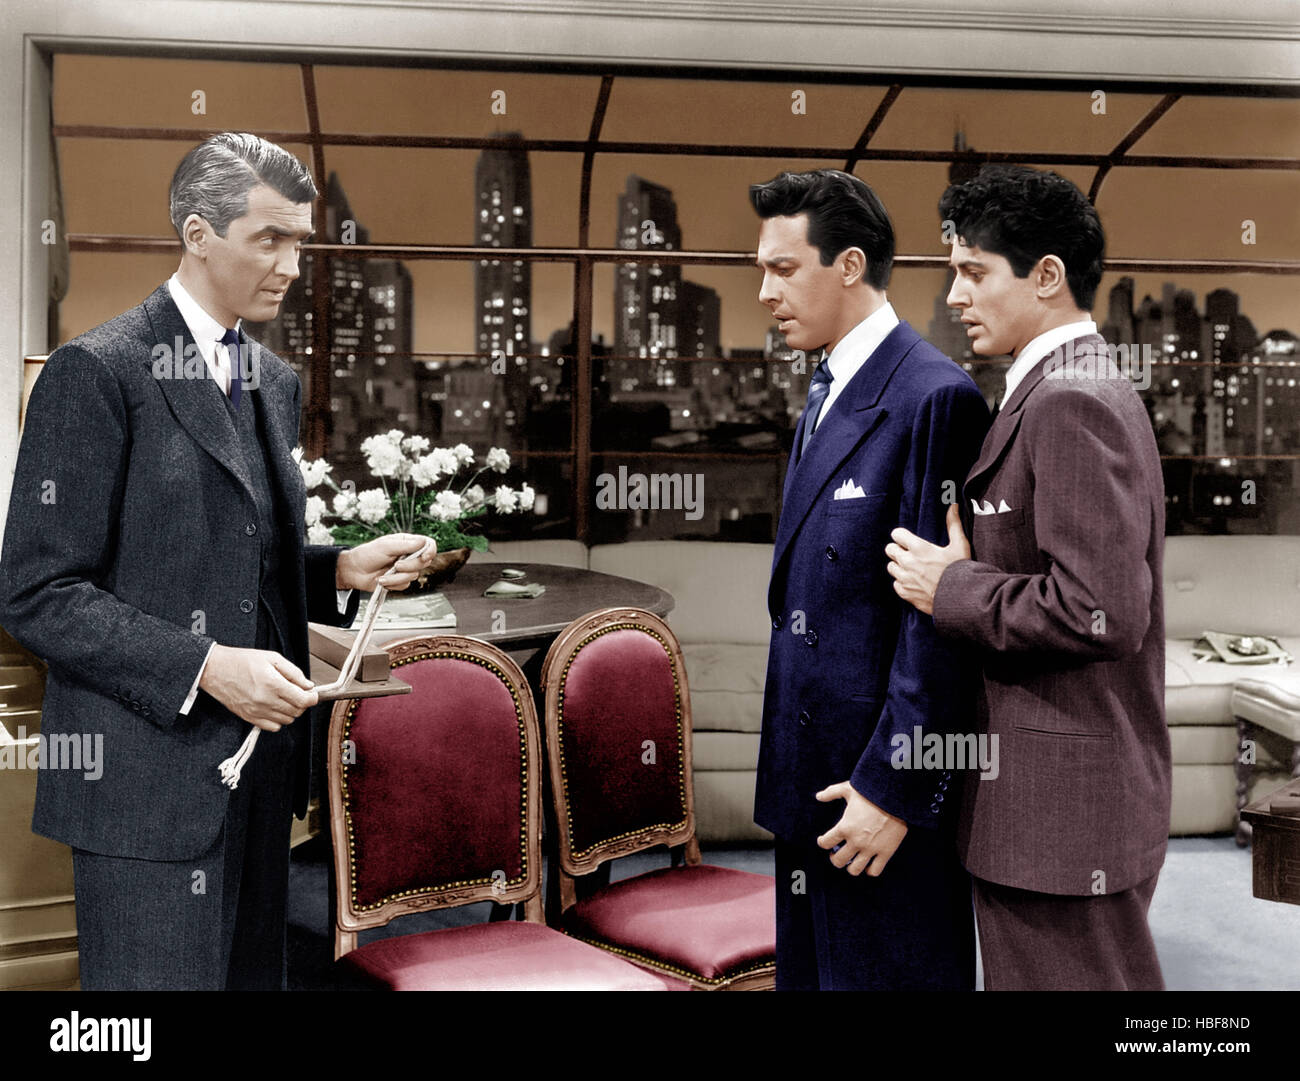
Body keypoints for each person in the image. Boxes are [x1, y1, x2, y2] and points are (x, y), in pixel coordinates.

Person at [0, 132, 437, 990]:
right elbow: (36, 592)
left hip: (257, 775)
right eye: (268, 238)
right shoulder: (96, 372)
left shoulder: (270, 379)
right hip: (144, 790)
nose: (290, 263)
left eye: (301, 241)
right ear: (198, 234)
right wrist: (205, 666)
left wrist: (338, 568)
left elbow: (229, 552)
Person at [886, 164, 1170, 990]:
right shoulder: (1058, 386)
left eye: (975, 272)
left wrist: (951, 587)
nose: (958, 297)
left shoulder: (1068, 400)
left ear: (1047, 275)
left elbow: (1102, 610)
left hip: (1060, 818)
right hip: (1056, 807)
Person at [751, 169, 990, 990]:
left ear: (849, 266)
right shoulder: (823, 391)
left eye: (783, 270)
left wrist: (892, 786)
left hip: (878, 796)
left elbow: (941, 622)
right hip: (809, 783)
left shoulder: (936, 398)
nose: (764, 291)